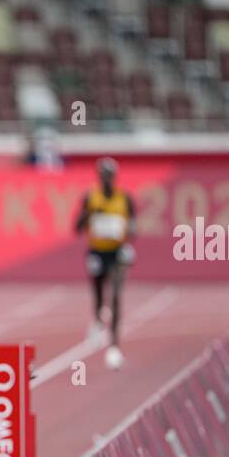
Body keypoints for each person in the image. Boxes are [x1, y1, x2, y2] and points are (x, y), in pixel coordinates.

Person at [74, 157, 134, 370]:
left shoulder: (124, 198)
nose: (106, 178)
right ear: (99, 176)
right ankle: (98, 317)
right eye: (103, 175)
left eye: (109, 175)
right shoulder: (91, 197)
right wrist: (90, 214)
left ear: (114, 177)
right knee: (98, 291)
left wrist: (127, 237)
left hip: (117, 251)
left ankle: (115, 345)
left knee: (116, 297)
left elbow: (133, 225)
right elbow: (77, 227)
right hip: (97, 252)